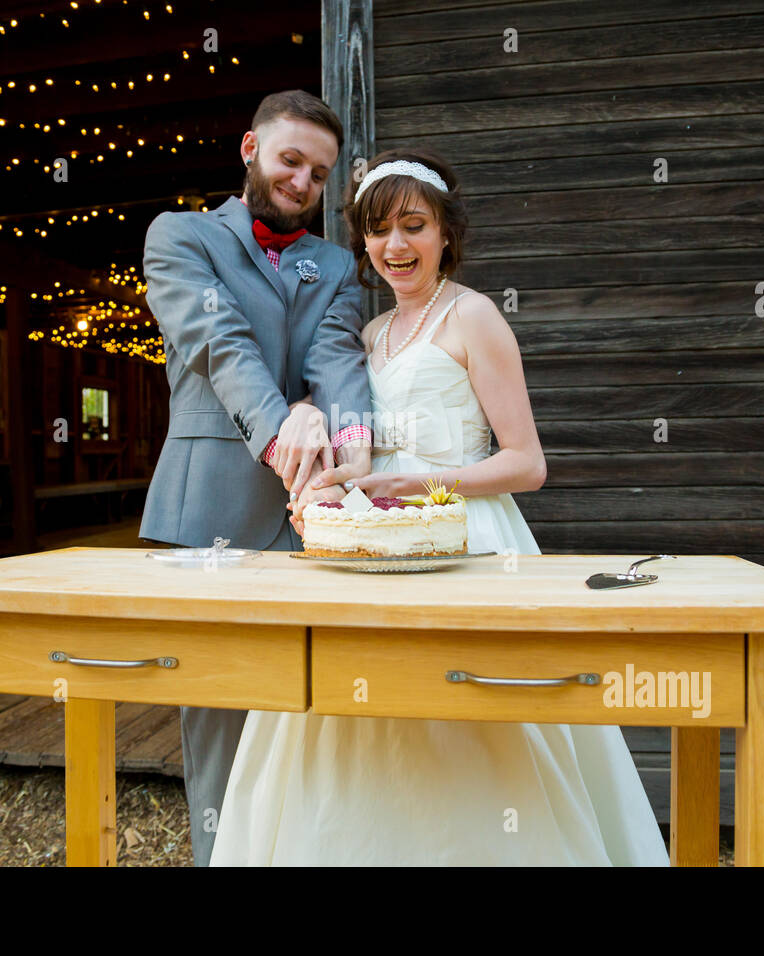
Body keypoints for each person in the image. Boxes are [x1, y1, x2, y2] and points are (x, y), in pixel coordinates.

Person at [210, 149, 670, 865]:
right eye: (379, 230)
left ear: (445, 235)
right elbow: (361, 454)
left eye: (414, 226)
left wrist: (424, 488)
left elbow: (527, 462)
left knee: (471, 700)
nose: (396, 246)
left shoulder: (474, 316)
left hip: (467, 536)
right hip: (376, 541)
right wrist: (328, 489)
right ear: (362, 242)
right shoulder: (368, 338)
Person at [138, 90, 374, 867]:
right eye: (290, 160)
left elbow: (336, 358)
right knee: (221, 728)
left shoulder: (340, 266)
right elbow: (219, 346)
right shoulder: (181, 237)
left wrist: (348, 447)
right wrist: (286, 432)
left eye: (320, 171)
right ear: (250, 150)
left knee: (324, 721)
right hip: (210, 513)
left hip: (321, 516)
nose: (304, 181)